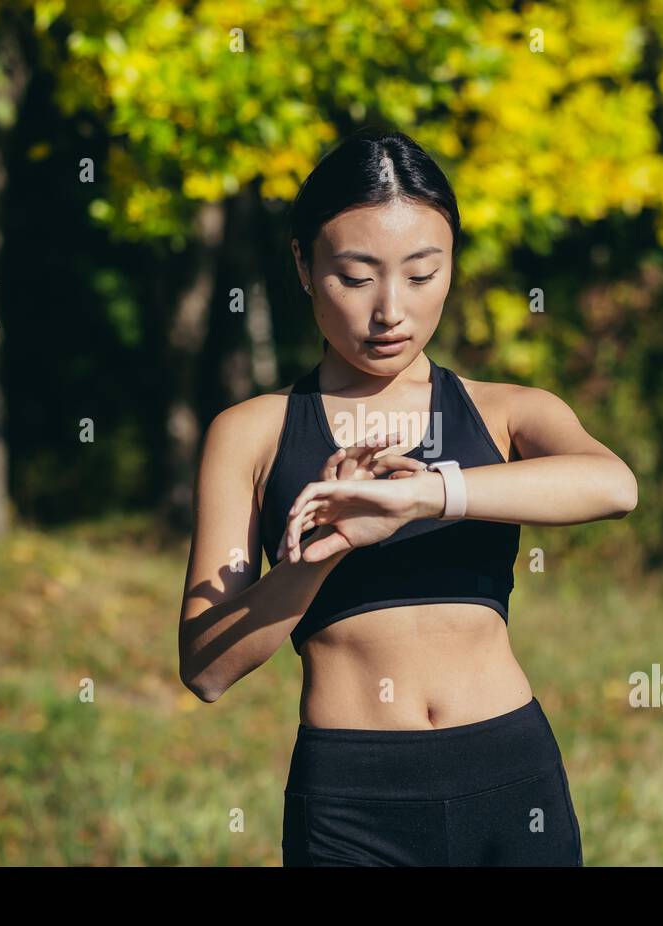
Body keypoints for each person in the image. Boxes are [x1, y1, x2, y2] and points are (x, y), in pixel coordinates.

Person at [178, 129, 638, 866]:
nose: (391, 310)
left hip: (510, 775)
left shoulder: (504, 410)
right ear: (303, 265)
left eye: (422, 274)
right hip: (351, 799)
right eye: (356, 277)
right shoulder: (253, 434)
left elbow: (613, 485)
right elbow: (205, 666)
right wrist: (323, 555)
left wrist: (426, 496)